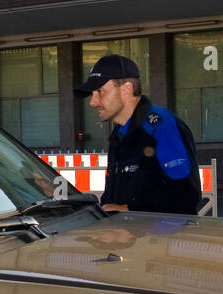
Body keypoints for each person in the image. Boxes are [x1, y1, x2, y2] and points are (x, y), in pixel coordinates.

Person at [74, 54, 201, 215]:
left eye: (100, 91)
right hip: (130, 235)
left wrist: (131, 210)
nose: (93, 102)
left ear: (126, 89)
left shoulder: (161, 127)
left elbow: (186, 196)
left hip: (162, 238)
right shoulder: (119, 132)